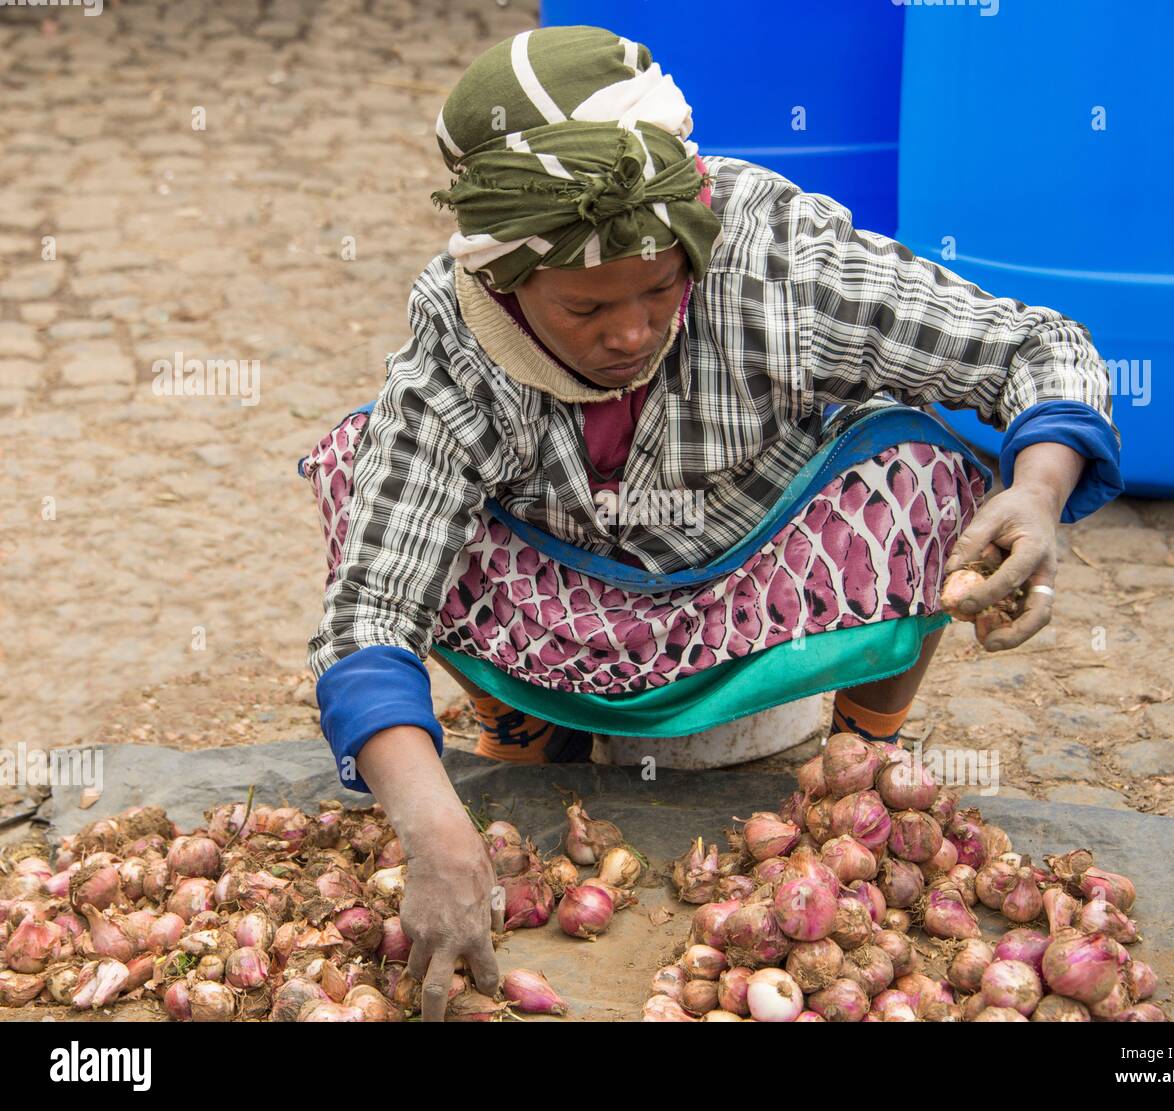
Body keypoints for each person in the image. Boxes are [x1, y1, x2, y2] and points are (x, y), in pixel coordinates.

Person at [300, 25, 1121, 1020]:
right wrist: (431, 830)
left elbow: (1034, 347)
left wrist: (1034, 493)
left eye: (659, 289)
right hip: (550, 603)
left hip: (749, 582)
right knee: (363, 463)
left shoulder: (770, 255)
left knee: (923, 460)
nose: (632, 330)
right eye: (585, 308)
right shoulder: (457, 335)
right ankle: (517, 724)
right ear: (507, 283)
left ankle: (856, 767)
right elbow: (372, 608)